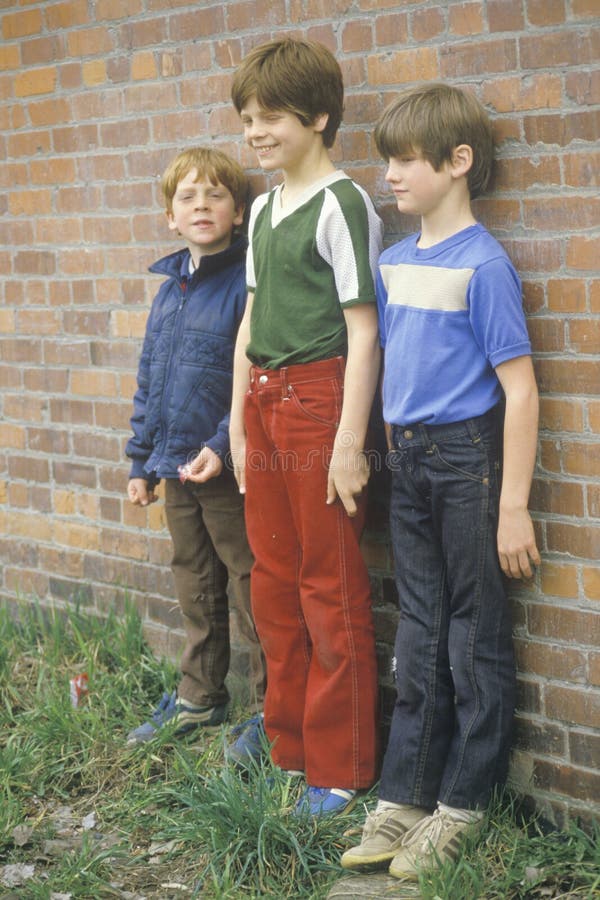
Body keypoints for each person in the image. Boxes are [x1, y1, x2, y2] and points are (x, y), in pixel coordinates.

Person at [341, 84, 540, 877]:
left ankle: (466, 803)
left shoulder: (484, 266)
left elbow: (519, 388)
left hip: (470, 462)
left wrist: (513, 506)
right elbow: (394, 366)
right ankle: (407, 797)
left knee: (473, 631)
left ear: (457, 163)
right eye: (386, 158)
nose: (389, 174)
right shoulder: (392, 263)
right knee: (419, 630)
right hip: (411, 460)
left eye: (404, 159)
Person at [225, 38, 383, 817]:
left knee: (329, 585)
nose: (255, 131)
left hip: (320, 403)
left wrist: (350, 446)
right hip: (262, 397)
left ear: (319, 117)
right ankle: (285, 740)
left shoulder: (341, 204)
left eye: (272, 117)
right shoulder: (262, 207)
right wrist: (238, 422)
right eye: (247, 118)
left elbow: (364, 331)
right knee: (274, 578)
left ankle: (341, 764)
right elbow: (251, 317)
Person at [125, 147, 266, 745]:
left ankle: (271, 708)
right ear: (170, 217)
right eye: (188, 196)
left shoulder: (245, 284)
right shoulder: (168, 292)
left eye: (215, 195)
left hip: (225, 464)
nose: (201, 205)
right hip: (175, 465)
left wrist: (222, 445)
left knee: (248, 579)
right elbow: (151, 377)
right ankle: (200, 695)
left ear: (239, 212)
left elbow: (253, 375)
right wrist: (141, 459)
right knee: (193, 577)